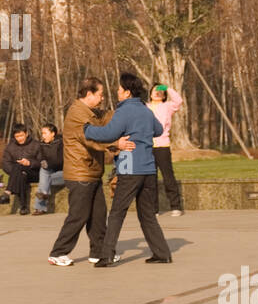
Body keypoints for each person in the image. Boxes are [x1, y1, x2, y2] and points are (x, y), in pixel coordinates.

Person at [84, 72, 173, 266]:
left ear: (127, 92)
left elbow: (109, 133)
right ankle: (162, 253)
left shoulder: (124, 111)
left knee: (117, 212)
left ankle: (106, 255)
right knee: (147, 214)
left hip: (130, 167)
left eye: (119, 88)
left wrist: (87, 130)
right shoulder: (145, 110)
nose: (117, 91)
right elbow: (158, 130)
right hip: (149, 168)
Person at [47, 78, 112, 266]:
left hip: (92, 172)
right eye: (100, 94)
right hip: (80, 173)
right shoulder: (77, 114)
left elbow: (107, 117)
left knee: (99, 215)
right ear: (89, 94)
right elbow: (91, 139)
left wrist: (129, 109)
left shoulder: (91, 112)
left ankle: (98, 252)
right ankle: (58, 252)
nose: (102, 99)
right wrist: (115, 144)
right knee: (79, 215)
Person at [148, 83, 183, 216]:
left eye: (160, 92)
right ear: (150, 94)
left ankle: (176, 206)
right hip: (148, 146)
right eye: (154, 91)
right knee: (151, 178)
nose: (157, 93)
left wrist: (167, 88)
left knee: (168, 176)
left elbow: (178, 101)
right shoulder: (146, 107)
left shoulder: (167, 106)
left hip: (162, 146)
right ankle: (153, 209)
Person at [0, 123, 42, 214]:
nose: (20, 138)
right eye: (17, 136)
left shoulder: (37, 145)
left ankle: (7, 193)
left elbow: (42, 162)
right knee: (21, 173)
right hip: (19, 174)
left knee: (19, 167)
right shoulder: (10, 147)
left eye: (21, 135)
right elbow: (5, 164)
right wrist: (15, 172)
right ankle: (23, 208)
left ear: (26, 134)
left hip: (35, 173)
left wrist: (29, 163)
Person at [34, 123, 64, 215]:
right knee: (43, 171)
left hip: (65, 171)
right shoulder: (42, 144)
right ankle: (43, 195)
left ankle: (40, 206)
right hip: (50, 170)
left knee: (44, 181)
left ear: (53, 133)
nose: (43, 136)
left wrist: (48, 164)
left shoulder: (61, 143)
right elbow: (40, 157)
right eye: (42, 133)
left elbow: (61, 160)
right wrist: (43, 162)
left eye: (45, 133)